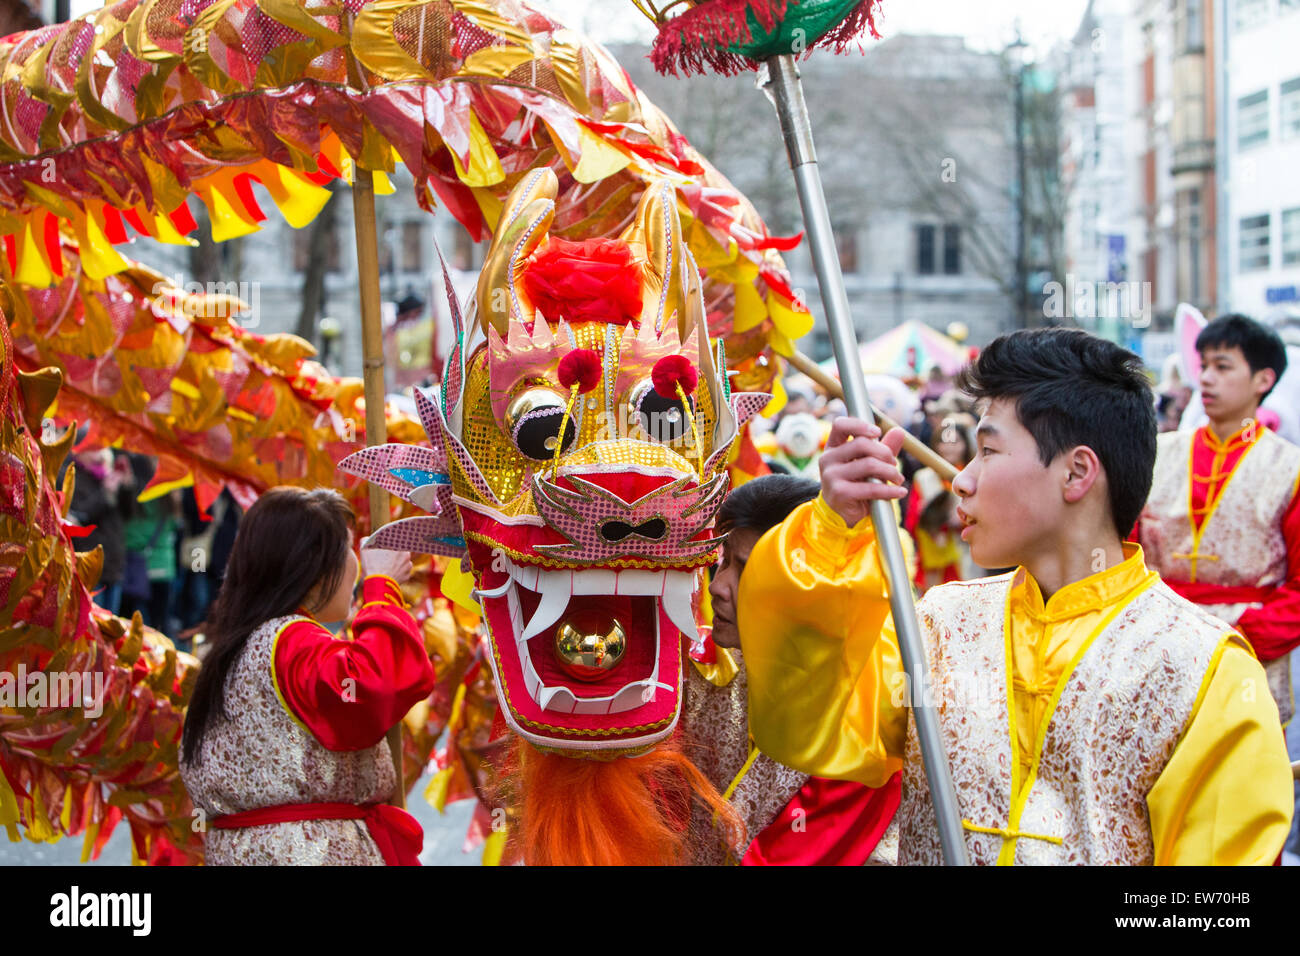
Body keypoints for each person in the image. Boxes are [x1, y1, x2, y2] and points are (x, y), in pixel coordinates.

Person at [739, 328, 1294, 864]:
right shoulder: (935, 625)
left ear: (1077, 472)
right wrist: (831, 533)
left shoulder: (1204, 670)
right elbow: (807, 729)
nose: (961, 479)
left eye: (987, 450)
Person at [180, 487, 435, 865]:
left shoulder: (234, 647)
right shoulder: (289, 639)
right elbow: (371, 688)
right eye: (348, 548)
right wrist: (382, 589)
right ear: (314, 570)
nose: (356, 562)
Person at [686, 474, 900, 865]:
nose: (719, 586)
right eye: (723, 561)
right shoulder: (696, 669)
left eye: (748, 570)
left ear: (803, 583)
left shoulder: (862, 714)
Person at [1139, 315, 1300, 729]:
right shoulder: (1157, 453)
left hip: (1248, 650)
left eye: (1223, 366)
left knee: (1243, 778)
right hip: (1159, 641)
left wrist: (1243, 632)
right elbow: (1125, 546)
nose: (1206, 378)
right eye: (1204, 365)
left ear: (1263, 379)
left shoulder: (1289, 468)